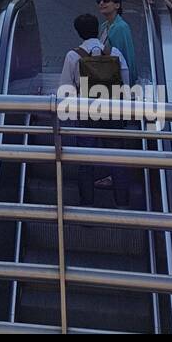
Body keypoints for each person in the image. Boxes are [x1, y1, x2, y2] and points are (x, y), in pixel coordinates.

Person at [59, 13, 131, 207]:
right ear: (97, 29)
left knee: (85, 161)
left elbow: (65, 90)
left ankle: (87, 205)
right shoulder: (114, 52)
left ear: (78, 33)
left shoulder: (73, 56)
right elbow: (126, 82)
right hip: (113, 111)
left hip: (86, 114)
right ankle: (122, 203)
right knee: (117, 158)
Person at [96, 0, 137, 84]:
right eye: (99, 1)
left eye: (106, 1)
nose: (101, 3)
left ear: (117, 5)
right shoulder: (104, 26)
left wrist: (129, 83)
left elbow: (127, 56)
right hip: (106, 76)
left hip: (118, 79)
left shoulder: (121, 27)